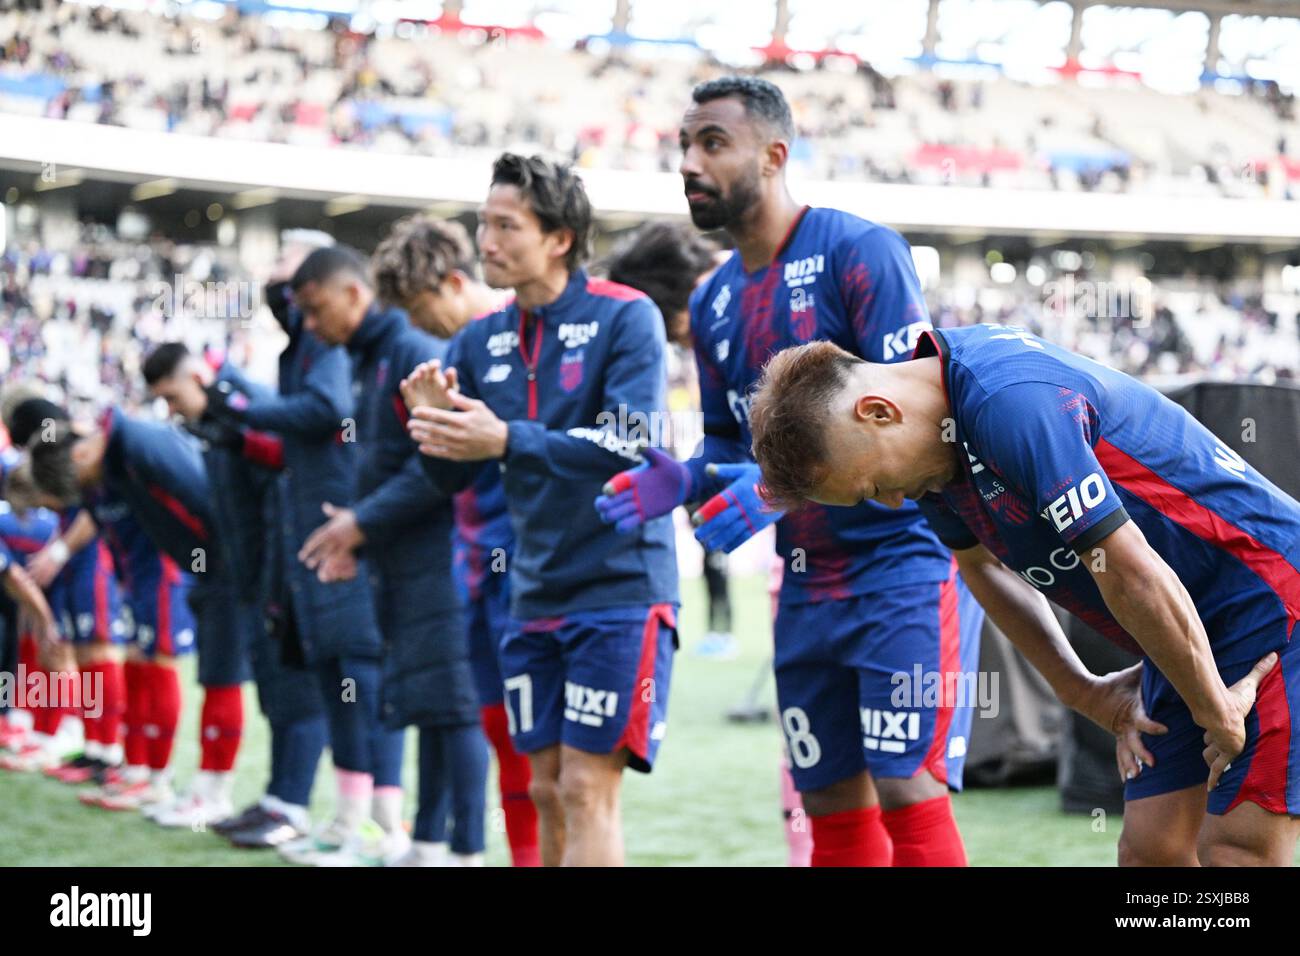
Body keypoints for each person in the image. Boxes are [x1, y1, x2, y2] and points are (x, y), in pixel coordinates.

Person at [596, 77, 983, 867]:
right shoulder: (710, 303)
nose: (690, 164)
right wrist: (685, 479)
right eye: (684, 146)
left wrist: (775, 486)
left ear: (774, 156)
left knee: (907, 786)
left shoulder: (858, 250)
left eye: (712, 143)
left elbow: (912, 418)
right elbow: (724, 440)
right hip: (807, 582)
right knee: (828, 798)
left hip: (902, 564)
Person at [746, 325, 1300, 866]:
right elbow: (983, 568)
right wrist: (1083, 692)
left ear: (877, 412)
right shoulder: (932, 449)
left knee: (1234, 853)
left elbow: (1127, 571)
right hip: (1186, 625)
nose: (891, 502)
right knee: (1150, 853)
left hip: (1271, 599)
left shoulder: (1009, 399)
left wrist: (1214, 711)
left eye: (871, 486)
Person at [404, 153, 678, 866]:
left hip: (619, 589)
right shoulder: (477, 339)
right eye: (482, 223)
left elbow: (630, 442)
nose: (485, 242)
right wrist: (432, 427)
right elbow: (446, 478)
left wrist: (505, 438)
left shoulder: (627, 315)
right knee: (547, 787)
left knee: (587, 787)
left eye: (505, 226)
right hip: (532, 592)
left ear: (558, 238)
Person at [291, 245, 483, 867]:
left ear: (352, 293)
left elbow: (436, 467)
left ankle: (468, 850)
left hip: (441, 555)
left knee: (454, 707)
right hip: (403, 558)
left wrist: (362, 524)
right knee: (428, 703)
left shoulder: (408, 345)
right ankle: (426, 844)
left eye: (316, 311)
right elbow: (387, 464)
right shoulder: (364, 357)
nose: (311, 328)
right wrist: (361, 535)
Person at [374, 213, 538, 866]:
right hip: (473, 562)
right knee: (497, 729)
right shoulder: (446, 363)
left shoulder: (520, 340)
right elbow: (444, 474)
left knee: (539, 753)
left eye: (420, 307)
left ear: (453, 280)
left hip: (531, 567)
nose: (417, 326)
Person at [142, 342, 330, 844]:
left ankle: (292, 804)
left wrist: (273, 576)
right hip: (250, 574)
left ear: (197, 377)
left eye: (173, 396)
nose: (172, 410)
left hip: (279, 574)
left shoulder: (250, 405)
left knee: (296, 690)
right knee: (273, 691)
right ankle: (276, 799)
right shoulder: (216, 418)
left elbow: (279, 497)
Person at [28, 407, 244, 827]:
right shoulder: (108, 466)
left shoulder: (137, 449)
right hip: (136, 578)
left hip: (167, 575)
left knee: (164, 666)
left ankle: (159, 777)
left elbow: (201, 501)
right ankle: (138, 769)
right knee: (137, 666)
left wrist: (203, 565)